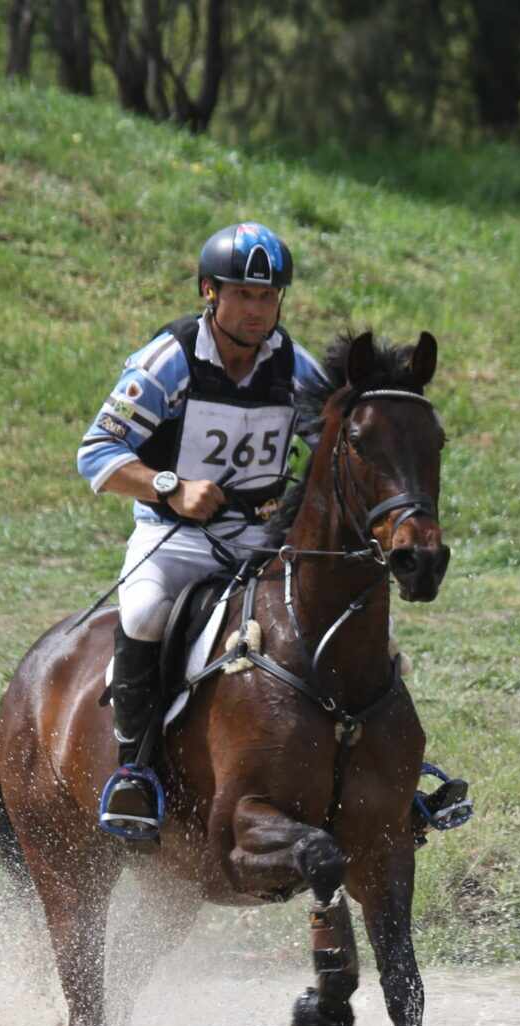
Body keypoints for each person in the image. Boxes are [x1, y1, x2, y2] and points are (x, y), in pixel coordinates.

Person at [75, 222, 329, 839]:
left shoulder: (295, 369)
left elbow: (331, 448)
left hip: (262, 541)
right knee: (144, 615)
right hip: (177, 540)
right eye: (242, 295)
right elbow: (97, 453)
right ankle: (135, 773)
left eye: (268, 298)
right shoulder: (169, 362)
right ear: (208, 292)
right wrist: (171, 487)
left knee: (342, 616)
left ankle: (387, 766)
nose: (256, 311)